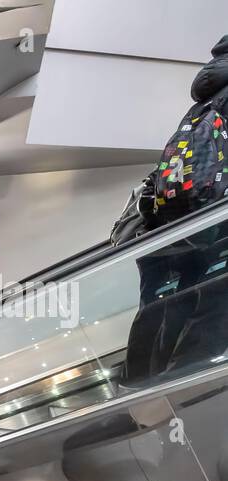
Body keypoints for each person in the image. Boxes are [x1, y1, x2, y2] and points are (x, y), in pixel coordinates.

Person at [123, 35, 228, 384]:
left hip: (177, 224)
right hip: (214, 224)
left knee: (170, 306)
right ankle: (184, 395)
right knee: (213, 310)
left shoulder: (207, 97)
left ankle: (141, 395)